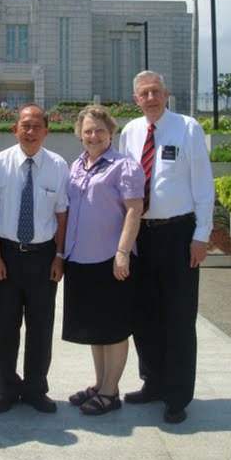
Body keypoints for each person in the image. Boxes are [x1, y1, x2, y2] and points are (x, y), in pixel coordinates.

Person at [118, 70, 215, 425]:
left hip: (178, 235)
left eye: (155, 91)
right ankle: (153, 382)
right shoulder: (129, 132)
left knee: (177, 316)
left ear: (166, 93)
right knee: (144, 315)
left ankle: (177, 395)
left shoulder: (188, 128)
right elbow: (124, 185)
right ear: (136, 99)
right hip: (141, 235)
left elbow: (203, 185)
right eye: (143, 94)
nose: (150, 98)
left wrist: (202, 235)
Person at [0, 103, 69, 414]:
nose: (30, 132)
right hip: (7, 255)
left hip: (43, 258)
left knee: (41, 327)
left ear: (47, 131)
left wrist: (59, 256)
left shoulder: (58, 165)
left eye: (36, 127)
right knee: (4, 327)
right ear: (14, 129)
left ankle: (34, 388)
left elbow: (62, 214)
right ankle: (7, 387)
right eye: (24, 126)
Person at [61, 104, 143, 416]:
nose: (93, 136)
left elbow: (134, 210)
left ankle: (110, 391)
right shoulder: (77, 165)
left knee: (113, 328)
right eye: (87, 131)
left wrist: (123, 252)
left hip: (111, 258)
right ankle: (99, 383)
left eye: (99, 130)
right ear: (80, 135)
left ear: (111, 132)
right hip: (80, 258)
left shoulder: (124, 166)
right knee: (96, 328)